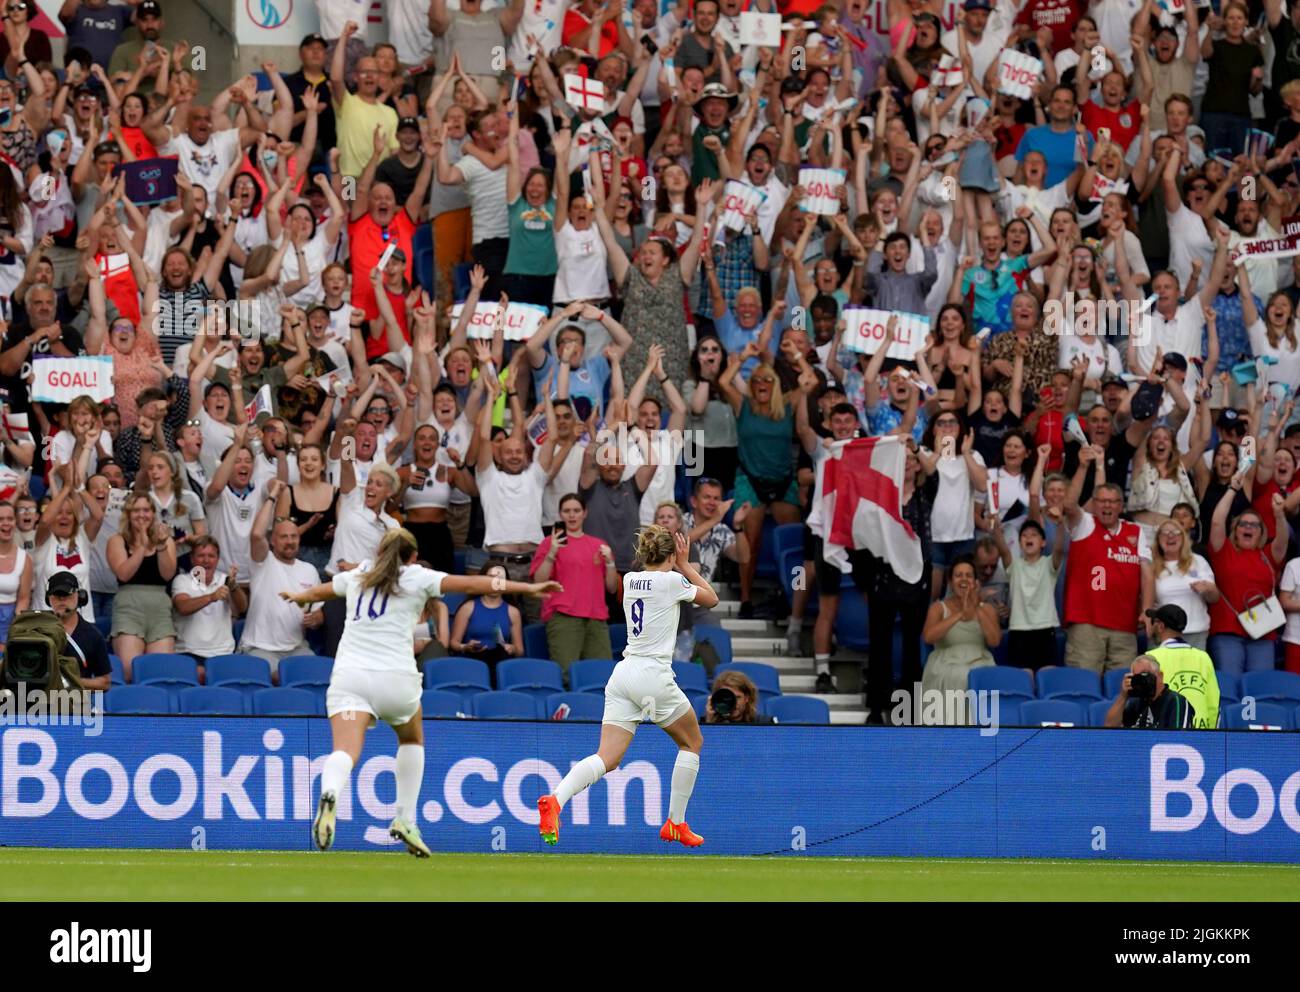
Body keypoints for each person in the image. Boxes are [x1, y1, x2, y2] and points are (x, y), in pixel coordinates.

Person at [282, 527, 559, 856]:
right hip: (396, 679)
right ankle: (406, 819)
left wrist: (302, 596)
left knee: (344, 750)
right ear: (412, 556)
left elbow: (329, 589)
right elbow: (474, 584)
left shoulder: (359, 574)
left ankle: (329, 792)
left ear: (380, 551)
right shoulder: (417, 576)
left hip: (350, 676)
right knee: (411, 738)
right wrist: (526, 586)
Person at [538, 525, 719, 848]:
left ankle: (556, 799)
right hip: (652, 674)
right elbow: (712, 599)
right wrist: (686, 565)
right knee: (692, 743)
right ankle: (675, 823)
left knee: (607, 758)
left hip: (623, 675)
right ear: (669, 555)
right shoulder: (673, 580)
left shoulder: (629, 580)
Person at [531, 494, 618, 673]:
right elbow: (539, 581)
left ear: (585, 513)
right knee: (566, 674)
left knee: (602, 675)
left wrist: (610, 562)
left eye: (576, 511)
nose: (572, 515)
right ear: (560, 515)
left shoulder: (599, 544)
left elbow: (612, 588)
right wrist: (552, 552)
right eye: (567, 511)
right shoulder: (549, 542)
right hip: (564, 615)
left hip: (596, 616)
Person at [1207, 486, 1289, 676]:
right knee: (1231, 684)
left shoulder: (1268, 555)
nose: (1248, 528)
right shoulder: (1223, 551)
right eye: (1243, 524)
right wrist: (1233, 489)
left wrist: (1279, 515)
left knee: (1259, 688)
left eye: (1254, 525)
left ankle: (1252, 709)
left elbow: (1283, 538)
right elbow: (1217, 522)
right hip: (1227, 632)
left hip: (1263, 633)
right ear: (1235, 530)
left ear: (1262, 533)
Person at [919, 555, 1001, 724]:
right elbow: (928, 637)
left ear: (976, 582)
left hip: (980, 661)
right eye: (958, 575)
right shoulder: (938, 608)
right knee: (959, 675)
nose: (964, 580)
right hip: (946, 663)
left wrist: (976, 606)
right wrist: (959, 614)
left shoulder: (987, 610)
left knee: (973, 675)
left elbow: (994, 641)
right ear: (950, 581)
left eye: (968, 575)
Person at [1143, 604, 1220, 730]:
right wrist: (1211, 734)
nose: (1152, 626)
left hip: (1168, 730)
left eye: (1154, 622)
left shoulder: (1151, 657)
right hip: (1202, 731)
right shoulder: (1203, 657)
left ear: (1161, 626)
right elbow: (1214, 702)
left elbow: (1144, 703)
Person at [171, 535, 245, 664]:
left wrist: (234, 588)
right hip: (189, 653)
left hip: (223, 653)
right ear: (192, 559)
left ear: (217, 559)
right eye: (201, 555)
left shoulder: (225, 579)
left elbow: (243, 608)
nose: (206, 560)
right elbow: (183, 607)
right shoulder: (182, 580)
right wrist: (211, 597)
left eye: (211, 556)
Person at [448, 562, 524, 673]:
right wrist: (465, 647)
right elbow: (454, 643)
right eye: (490, 578)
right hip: (472, 662)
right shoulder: (468, 608)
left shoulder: (513, 612)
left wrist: (512, 648)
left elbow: (520, 650)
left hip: (500, 662)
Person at [46, 570, 112, 692]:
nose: (62, 600)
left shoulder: (93, 636)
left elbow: (105, 682)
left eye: (67, 595)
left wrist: (68, 681)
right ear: (48, 599)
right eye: (56, 595)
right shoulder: (38, 632)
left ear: (80, 596)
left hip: (77, 702)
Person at [1103, 655, 1196, 729]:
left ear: (1160, 676)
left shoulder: (1176, 701)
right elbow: (1110, 727)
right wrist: (1123, 696)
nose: (1142, 681)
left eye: (1145, 674)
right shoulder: (1136, 704)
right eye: (1137, 677)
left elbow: (1180, 740)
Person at [702, 669, 774, 724]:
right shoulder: (703, 724)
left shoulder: (764, 724)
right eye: (727, 698)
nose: (734, 703)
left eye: (737, 697)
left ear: (747, 698)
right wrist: (709, 724)